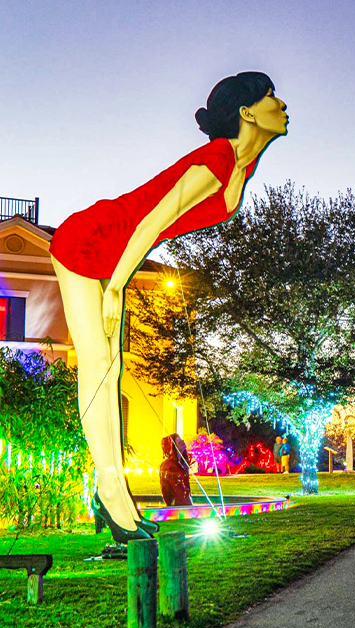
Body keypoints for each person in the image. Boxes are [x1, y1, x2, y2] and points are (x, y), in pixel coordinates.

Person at [49, 71, 288, 544]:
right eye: (271, 97)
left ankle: (117, 502)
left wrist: (119, 279)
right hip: (91, 240)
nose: (282, 105)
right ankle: (111, 495)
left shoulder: (241, 168)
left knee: (110, 370)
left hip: (118, 254)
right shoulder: (218, 159)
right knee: (98, 369)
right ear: (247, 112)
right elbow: (152, 223)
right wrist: (117, 288)